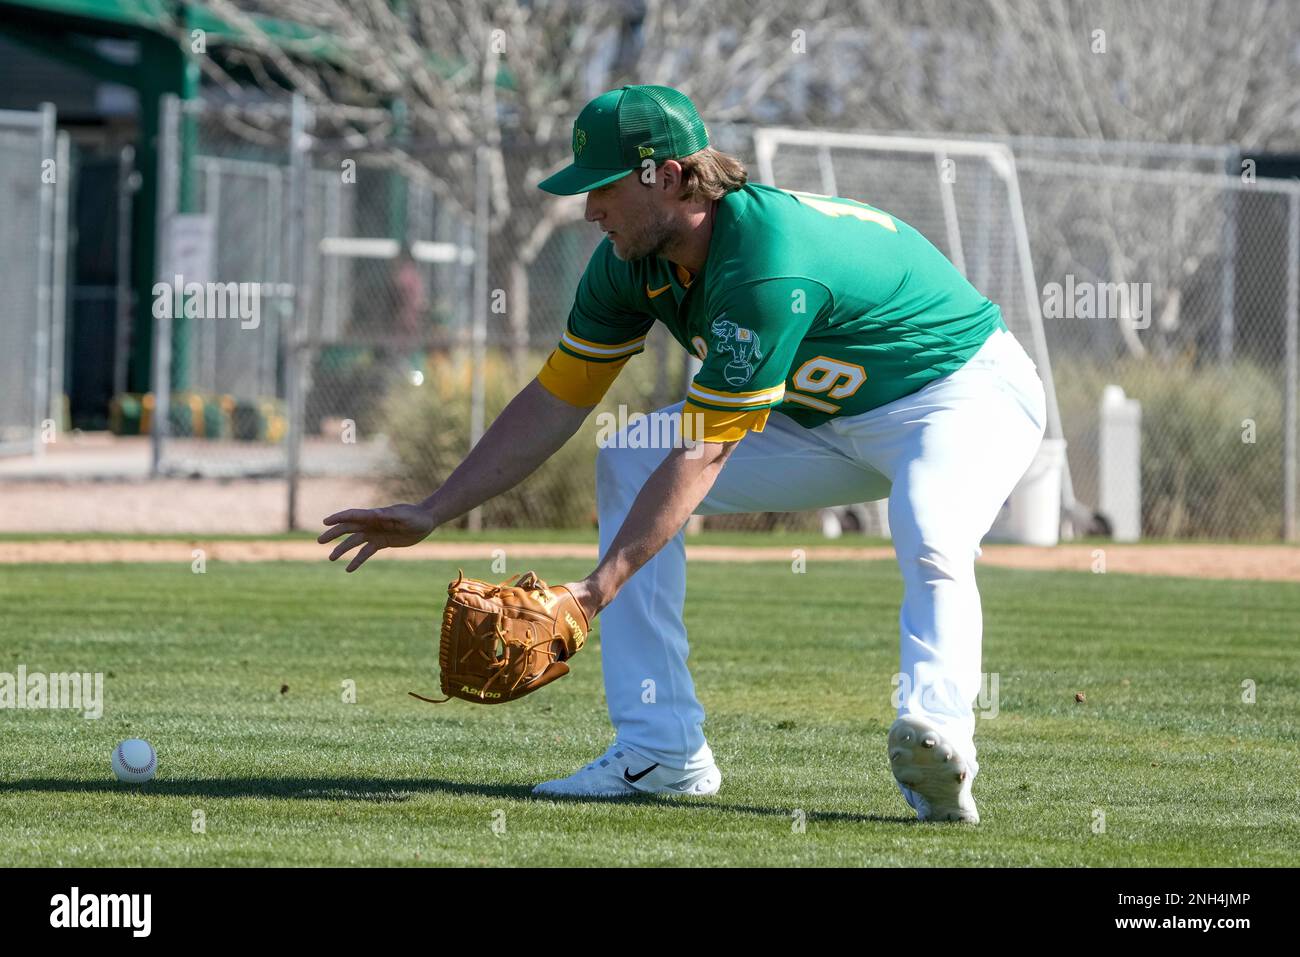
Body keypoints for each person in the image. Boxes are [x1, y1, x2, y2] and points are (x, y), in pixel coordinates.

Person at [318, 85, 1047, 823]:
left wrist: (591, 592)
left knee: (929, 526)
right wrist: (434, 508)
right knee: (630, 454)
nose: (588, 209)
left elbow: (704, 452)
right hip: (820, 418)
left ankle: (938, 740)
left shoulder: (765, 264)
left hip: (961, 393)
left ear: (666, 178)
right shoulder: (628, 263)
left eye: (600, 187)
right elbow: (556, 398)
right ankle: (661, 752)